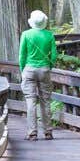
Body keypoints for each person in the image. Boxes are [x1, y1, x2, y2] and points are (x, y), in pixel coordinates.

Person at [18, 9, 57, 140]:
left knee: (30, 101)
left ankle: (32, 133)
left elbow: (22, 55)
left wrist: (23, 69)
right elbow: (54, 55)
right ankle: (48, 132)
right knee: (45, 100)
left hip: (29, 69)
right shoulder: (49, 35)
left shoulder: (26, 34)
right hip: (44, 69)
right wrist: (49, 66)